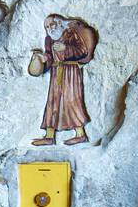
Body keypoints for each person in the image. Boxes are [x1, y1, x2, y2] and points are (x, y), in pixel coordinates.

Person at [31, 14, 96, 145]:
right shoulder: (49, 40)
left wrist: (65, 48)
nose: (50, 29)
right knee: (52, 102)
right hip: (56, 73)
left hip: (70, 72)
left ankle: (81, 134)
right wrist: (44, 58)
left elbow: (82, 51)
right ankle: (49, 136)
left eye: (51, 25)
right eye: (47, 27)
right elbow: (50, 56)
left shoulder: (70, 34)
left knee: (72, 102)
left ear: (59, 23)